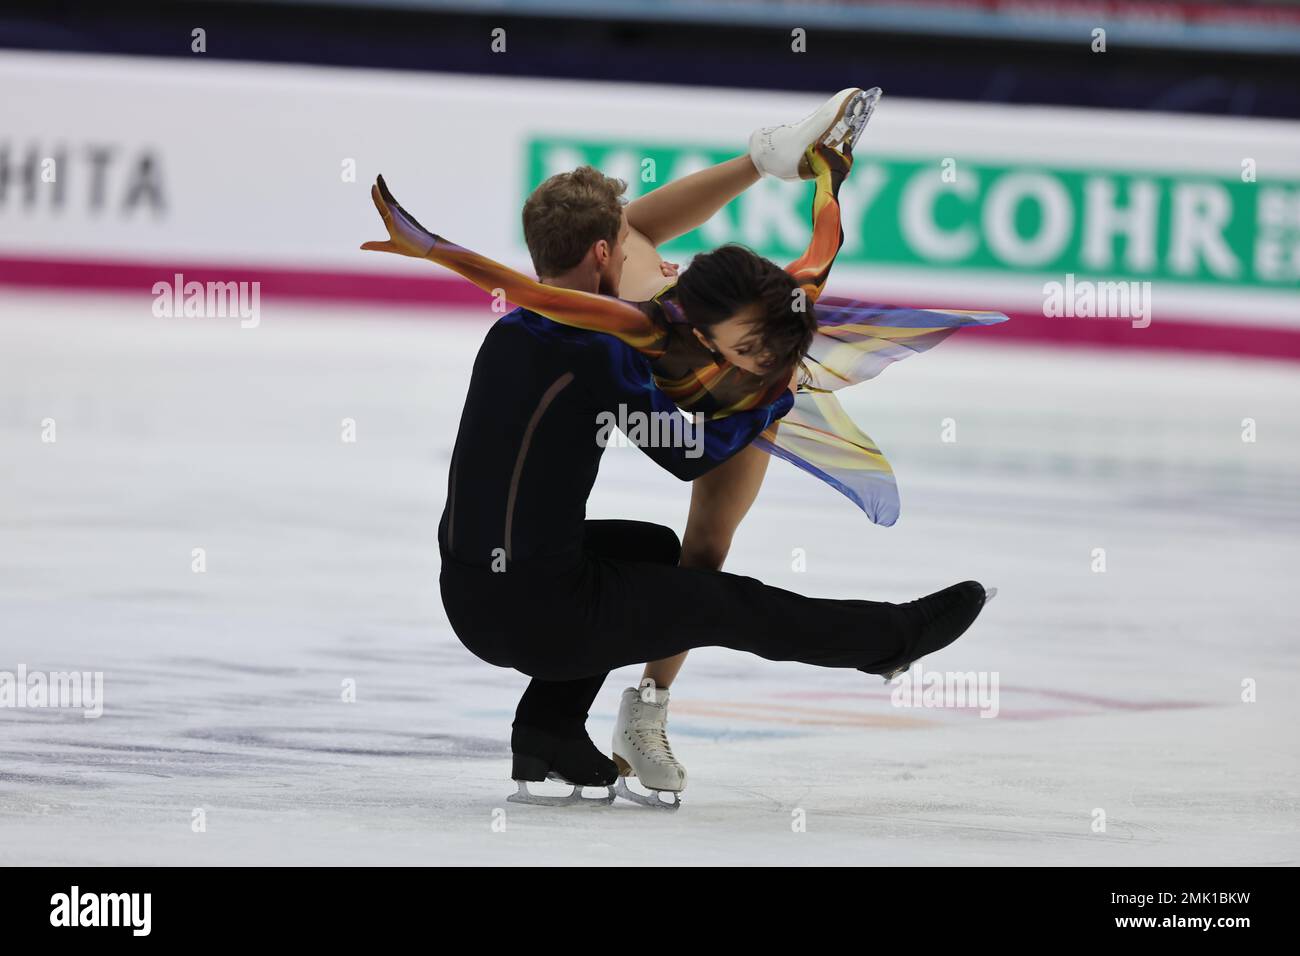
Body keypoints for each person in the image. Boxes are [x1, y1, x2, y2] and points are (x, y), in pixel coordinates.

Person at [362, 90, 1006, 804]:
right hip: (543, 618)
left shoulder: (512, 330)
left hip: (468, 593)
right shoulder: (607, 352)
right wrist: (770, 402)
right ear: (605, 252)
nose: (654, 261)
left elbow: (560, 279)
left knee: (645, 547)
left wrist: (430, 247)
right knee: (728, 605)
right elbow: (687, 455)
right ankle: (891, 639)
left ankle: (548, 733)